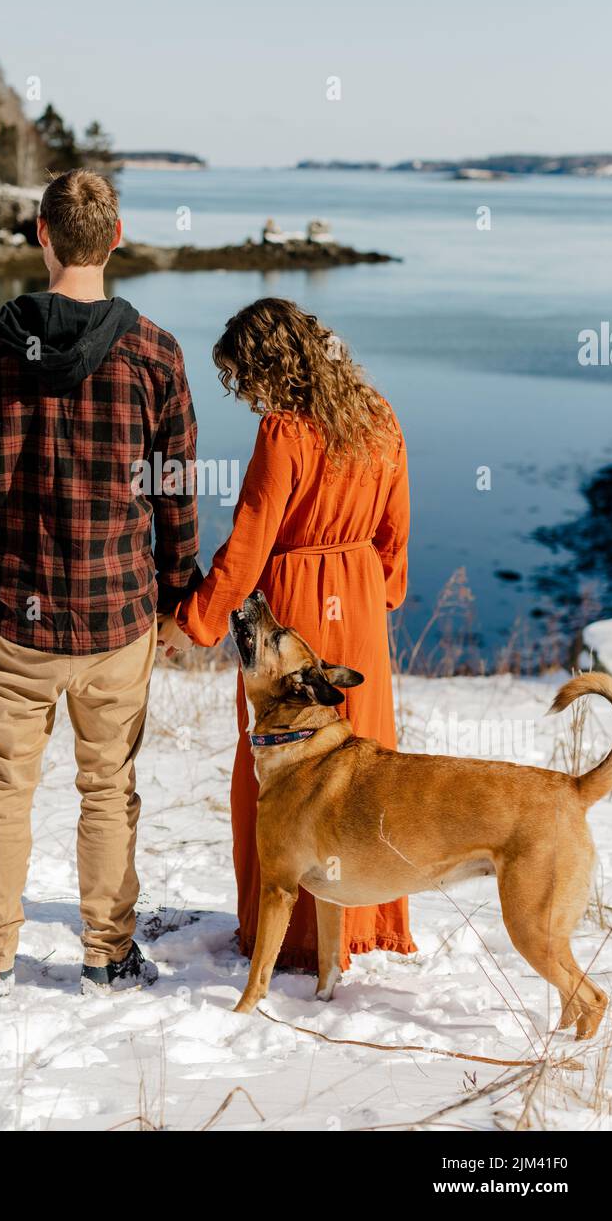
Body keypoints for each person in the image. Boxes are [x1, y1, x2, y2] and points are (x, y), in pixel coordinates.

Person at [0, 169, 201, 997]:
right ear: (115, 238)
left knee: (5, 787)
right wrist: (177, 594)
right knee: (109, 787)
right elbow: (175, 493)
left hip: (13, 615)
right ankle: (107, 954)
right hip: (118, 616)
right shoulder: (156, 353)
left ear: (42, 234)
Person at [158, 298, 416, 977]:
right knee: (364, 769)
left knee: (282, 769)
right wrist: (378, 594)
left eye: (244, 377)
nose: (245, 392)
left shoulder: (285, 431)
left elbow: (249, 543)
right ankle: (360, 922)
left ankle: (289, 933)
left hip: (295, 606)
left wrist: (196, 620)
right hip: (359, 603)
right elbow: (395, 534)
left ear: (269, 367)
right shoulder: (378, 416)